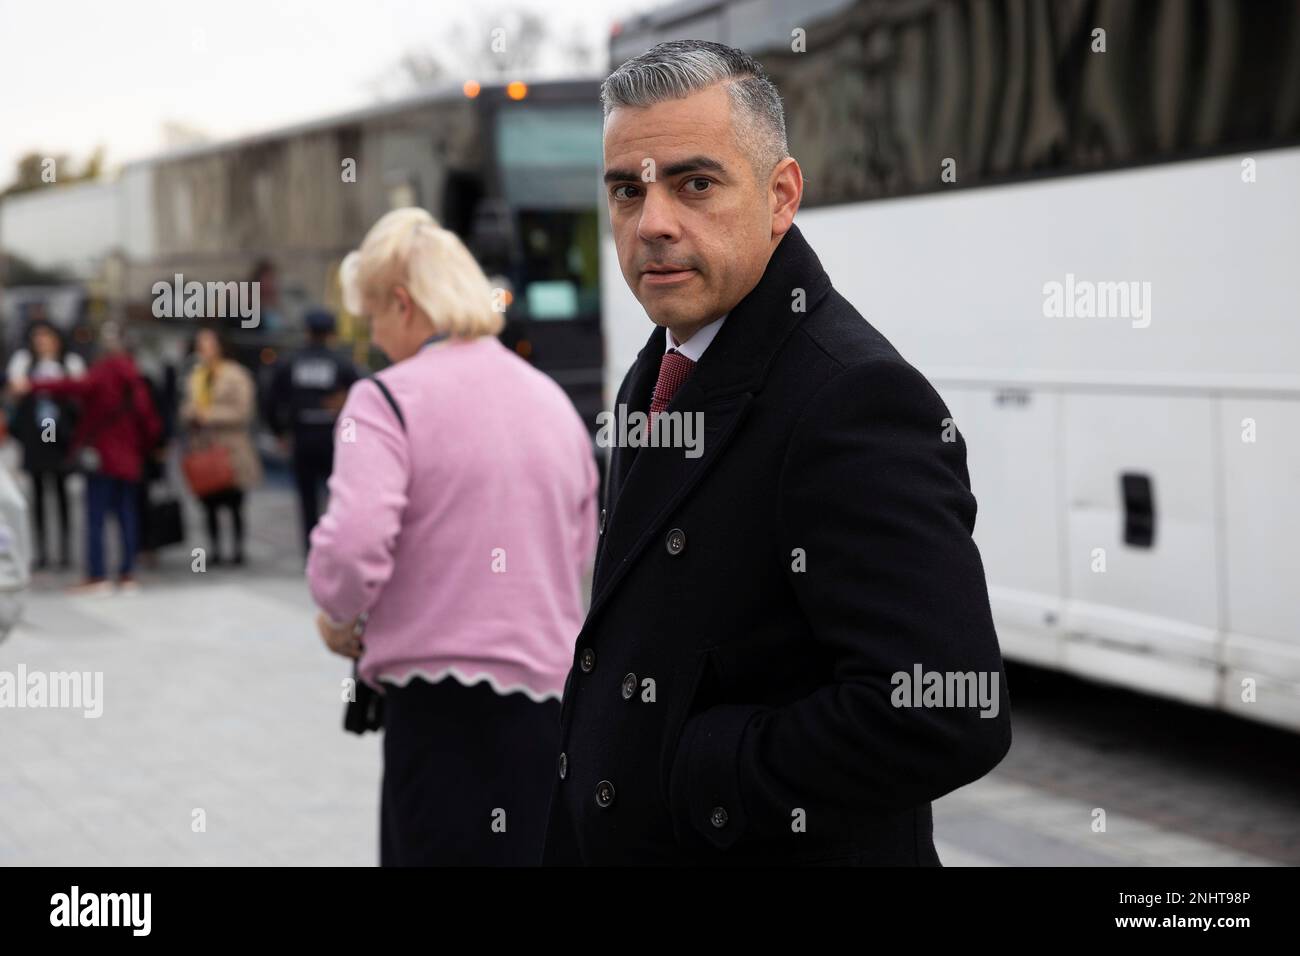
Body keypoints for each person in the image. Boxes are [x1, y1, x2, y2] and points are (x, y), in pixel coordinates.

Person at [541, 40, 1012, 867]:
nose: (652, 223)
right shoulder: (658, 371)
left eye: (694, 183)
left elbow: (948, 713)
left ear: (780, 195)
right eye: (626, 190)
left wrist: (699, 771)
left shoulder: (852, 400)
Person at [307, 207, 598, 866]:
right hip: (548, 712)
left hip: (437, 713)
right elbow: (577, 550)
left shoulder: (385, 400)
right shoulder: (550, 400)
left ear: (404, 305)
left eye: (374, 318)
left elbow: (353, 546)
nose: (376, 339)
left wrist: (339, 615)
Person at [12, 321, 161, 595]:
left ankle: (98, 575)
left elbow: (71, 387)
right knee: (127, 515)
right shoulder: (135, 376)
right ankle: (128, 574)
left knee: (96, 517)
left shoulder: (102, 372)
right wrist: (145, 449)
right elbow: (149, 421)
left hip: (102, 456)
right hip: (129, 458)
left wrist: (32, 384)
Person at [265, 308, 359, 556]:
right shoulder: (342, 363)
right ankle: (338, 545)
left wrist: (279, 432)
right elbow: (362, 399)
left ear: (307, 332)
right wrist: (351, 437)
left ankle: (312, 551)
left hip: (302, 437)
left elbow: (271, 399)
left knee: (306, 500)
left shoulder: (290, 362)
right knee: (339, 497)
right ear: (331, 333)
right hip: (334, 440)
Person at [5, 320, 85, 569]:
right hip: (36, 434)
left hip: (58, 435)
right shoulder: (24, 362)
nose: (42, 342)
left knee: (61, 492)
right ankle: (40, 550)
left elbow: (79, 392)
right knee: (37, 493)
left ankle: (64, 550)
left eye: (46, 336)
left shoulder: (69, 363)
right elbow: (14, 390)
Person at [179, 327, 262, 566]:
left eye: (208, 344)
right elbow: (185, 405)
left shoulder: (236, 375)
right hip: (203, 446)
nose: (204, 350)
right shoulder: (196, 375)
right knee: (209, 502)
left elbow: (244, 410)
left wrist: (210, 415)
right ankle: (213, 549)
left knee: (234, 501)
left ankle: (237, 549)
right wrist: (191, 414)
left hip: (231, 447)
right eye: (200, 345)